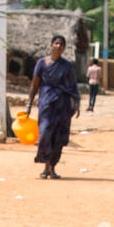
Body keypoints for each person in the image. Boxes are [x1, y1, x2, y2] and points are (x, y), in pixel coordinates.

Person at [26, 35, 80, 179]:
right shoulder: (41, 63)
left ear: (64, 49)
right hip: (46, 103)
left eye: (61, 45)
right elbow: (34, 85)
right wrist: (29, 104)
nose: (58, 46)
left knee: (58, 136)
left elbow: (73, 86)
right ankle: (45, 165)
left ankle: (52, 168)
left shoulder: (67, 66)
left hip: (62, 104)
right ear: (51, 45)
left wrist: (77, 104)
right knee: (44, 133)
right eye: (56, 43)